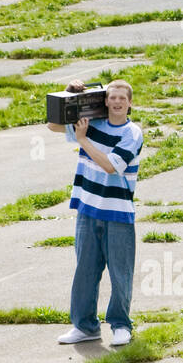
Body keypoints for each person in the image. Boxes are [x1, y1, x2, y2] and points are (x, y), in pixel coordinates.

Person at [47, 79, 142, 347]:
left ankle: (121, 325)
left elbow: (111, 166)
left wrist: (82, 141)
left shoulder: (132, 133)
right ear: (105, 100)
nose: (117, 102)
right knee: (85, 270)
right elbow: (53, 125)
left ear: (130, 103)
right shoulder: (92, 123)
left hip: (117, 212)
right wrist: (68, 96)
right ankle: (85, 326)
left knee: (120, 273)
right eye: (112, 97)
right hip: (88, 207)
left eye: (122, 98)